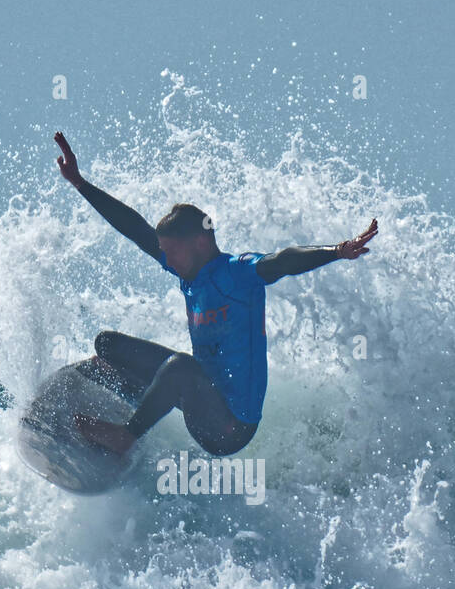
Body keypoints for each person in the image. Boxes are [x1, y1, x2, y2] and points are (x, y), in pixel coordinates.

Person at [53, 131, 377, 456]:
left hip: (229, 428)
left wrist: (336, 251)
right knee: (108, 345)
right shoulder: (187, 269)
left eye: (172, 252)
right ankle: (128, 398)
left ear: (201, 243)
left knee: (179, 367)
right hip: (198, 394)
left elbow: (284, 261)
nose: (168, 260)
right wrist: (80, 183)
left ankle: (127, 436)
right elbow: (134, 227)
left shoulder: (237, 272)